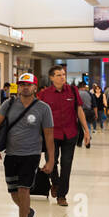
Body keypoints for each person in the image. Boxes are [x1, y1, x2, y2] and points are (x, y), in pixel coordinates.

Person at [0, 73, 55, 217]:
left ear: (35, 87)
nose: (25, 87)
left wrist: (50, 160)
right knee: (13, 192)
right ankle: (28, 212)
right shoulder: (8, 104)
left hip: (31, 155)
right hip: (11, 154)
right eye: (22, 84)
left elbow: (49, 136)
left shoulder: (43, 108)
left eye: (28, 84)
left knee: (24, 189)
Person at [36, 64, 90, 207]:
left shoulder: (72, 91)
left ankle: (62, 195)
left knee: (67, 165)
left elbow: (79, 110)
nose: (62, 77)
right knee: (51, 162)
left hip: (70, 133)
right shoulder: (44, 94)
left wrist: (86, 130)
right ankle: (55, 182)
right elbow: (38, 115)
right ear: (52, 77)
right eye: (59, 75)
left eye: (64, 74)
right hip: (51, 134)